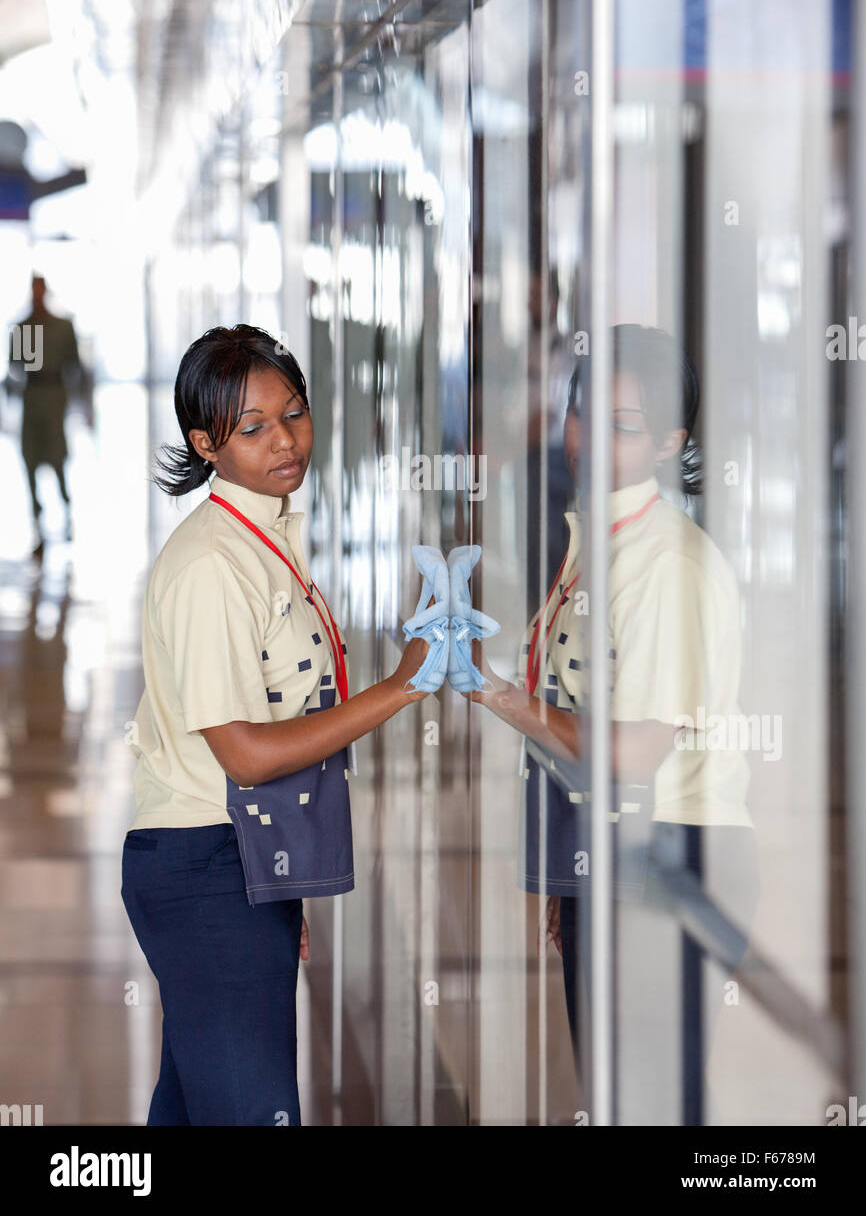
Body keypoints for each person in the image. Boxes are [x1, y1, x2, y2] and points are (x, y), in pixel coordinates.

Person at [121, 324, 428, 1126]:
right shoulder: (212, 566)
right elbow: (248, 755)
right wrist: (399, 687)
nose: (285, 440)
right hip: (203, 865)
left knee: (194, 1107)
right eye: (252, 428)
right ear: (205, 443)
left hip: (240, 858)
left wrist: (277, 879)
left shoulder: (266, 538)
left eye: (294, 413)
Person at [461, 323, 759, 1123]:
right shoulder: (598, 540)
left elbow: (631, 750)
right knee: (620, 1094)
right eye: (582, 410)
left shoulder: (667, 565)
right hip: (616, 845)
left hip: (670, 853)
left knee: (649, 1102)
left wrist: (507, 701)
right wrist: (573, 863)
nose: (587, 439)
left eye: (623, 427)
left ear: (671, 441)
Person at [5, 273, 91, 555]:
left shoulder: (62, 327)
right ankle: (38, 523)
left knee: (56, 458)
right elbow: (16, 366)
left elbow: (75, 367)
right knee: (31, 458)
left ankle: (66, 514)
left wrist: (84, 407)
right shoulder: (24, 327)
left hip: (54, 397)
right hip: (32, 397)